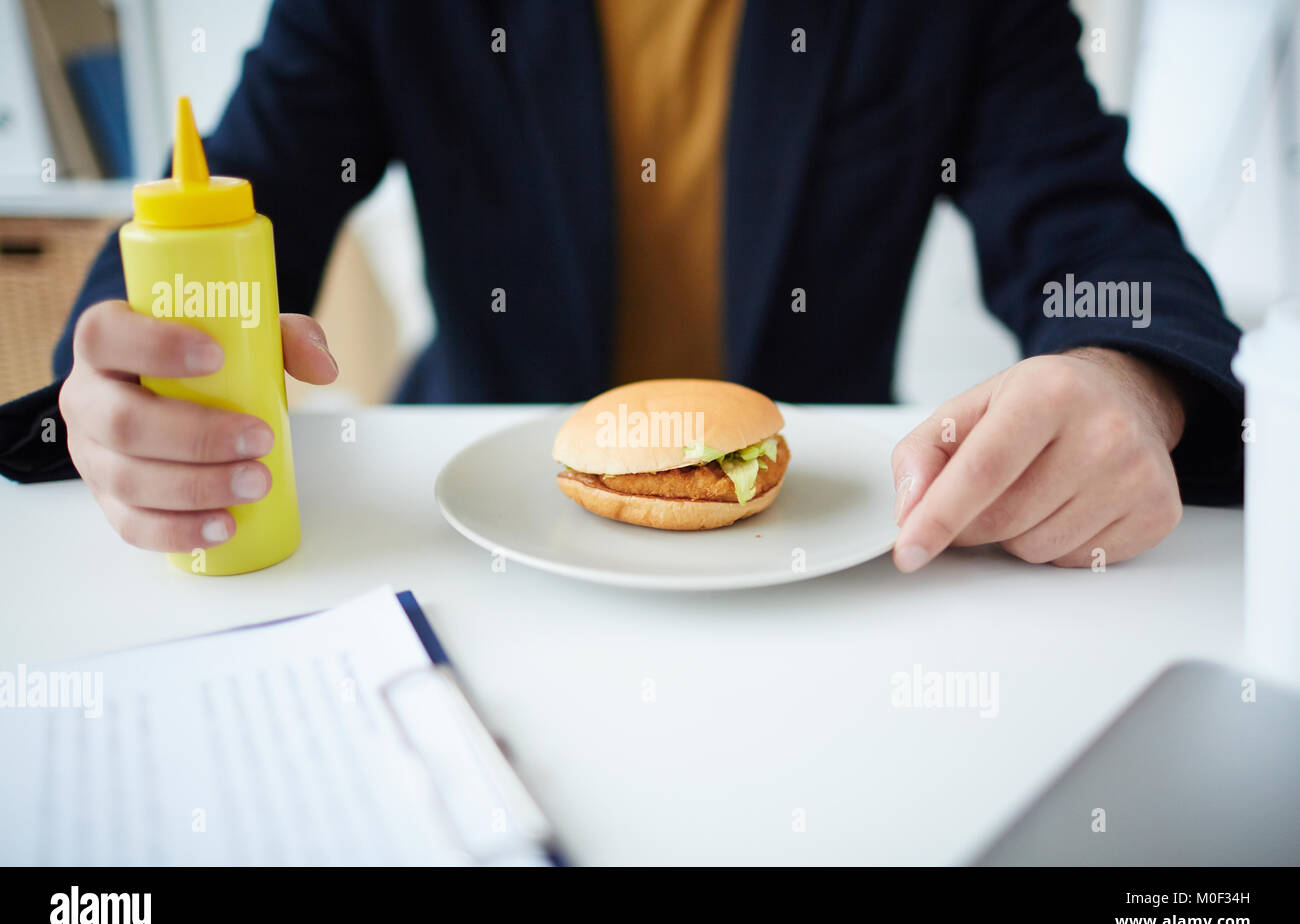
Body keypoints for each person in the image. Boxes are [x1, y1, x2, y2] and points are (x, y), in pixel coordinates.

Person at [0, 0, 1243, 573]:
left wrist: (1121, 374)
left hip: (814, 541)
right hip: (465, 530)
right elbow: (227, 193)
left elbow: (1092, 233)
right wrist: (110, 392)